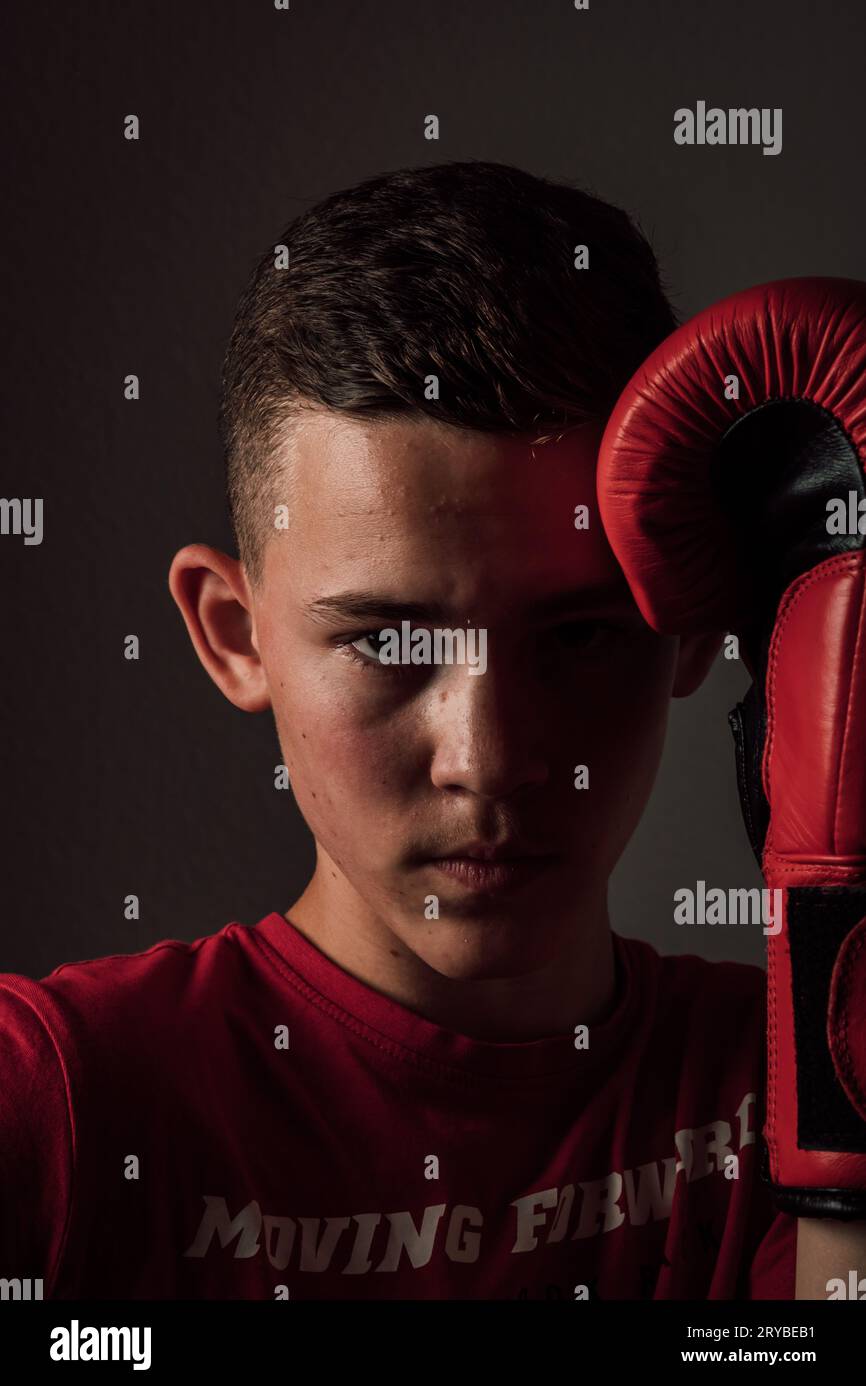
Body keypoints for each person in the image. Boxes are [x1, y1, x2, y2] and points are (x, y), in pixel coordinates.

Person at [0, 160, 795, 1299]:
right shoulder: (62, 1101)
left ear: (685, 627)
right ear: (234, 635)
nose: (489, 758)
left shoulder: (792, 1085)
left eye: (576, 636)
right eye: (388, 640)